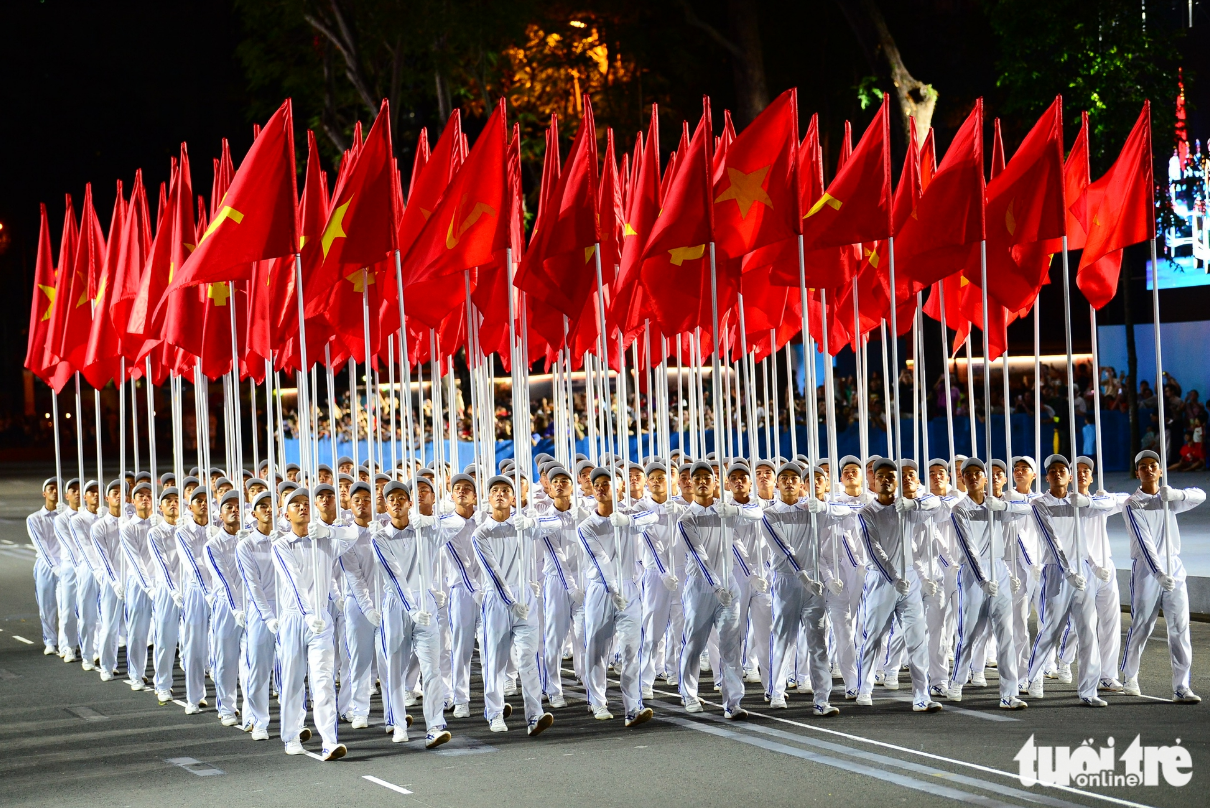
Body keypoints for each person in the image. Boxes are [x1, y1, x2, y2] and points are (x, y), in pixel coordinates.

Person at [272, 487, 359, 760]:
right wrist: (308, 613)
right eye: (295, 504)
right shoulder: (280, 545)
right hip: (294, 618)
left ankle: (329, 741)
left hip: (321, 619)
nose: (302, 508)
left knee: (322, 680)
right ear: (286, 514)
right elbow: (294, 582)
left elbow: (355, 534)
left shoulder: (322, 539)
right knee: (294, 680)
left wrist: (329, 531)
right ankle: (291, 735)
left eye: (305, 503)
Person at [468, 476, 556, 735]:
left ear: (513, 497)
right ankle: (495, 713)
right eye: (494, 490)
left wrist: (530, 522)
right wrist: (511, 601)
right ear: (488, 498)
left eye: (505, 491)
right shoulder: (481, 533)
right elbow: (493, 572)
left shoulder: (523, 525)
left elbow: (557, 521)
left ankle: (535, 715)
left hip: (525, 597)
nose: (499, 494)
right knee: (495, 661)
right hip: (497, 599)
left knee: (529, 658)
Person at [854, 459, 943, 713]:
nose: (886, 480)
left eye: (891, 476)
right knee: (874, 636)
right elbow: (874, 550)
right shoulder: (866, 513)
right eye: (880, 476)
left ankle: (922, 695)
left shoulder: (907, 507)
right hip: (881, 580)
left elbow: (936, 502)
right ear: (873, 481)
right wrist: (894, 577)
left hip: (911, 579)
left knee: (916, 638)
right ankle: (865, 688)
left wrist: (913, 502)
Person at [675, 461, 761, 718]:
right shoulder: (686, 518)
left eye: (707, 477)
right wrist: (715, 586)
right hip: (701, 588)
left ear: (715, 483)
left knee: (730, 644)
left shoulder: (727, 511)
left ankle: (733, 702)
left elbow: (757, 513)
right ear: (690, 483)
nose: (702, 481)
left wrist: (731, 510)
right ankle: (689, 694)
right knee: (694, 643)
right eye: (697, 477)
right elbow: (699, 556)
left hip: (729, 585)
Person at [1023, 455, 1111, 707]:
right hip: (1056, 571)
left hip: (1082, 571)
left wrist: (1093, 565)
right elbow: (1052, 539)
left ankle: (1088, 689)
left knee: (1088, 632)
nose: (1057, 473)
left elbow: (1104, 511)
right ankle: (1034, 677)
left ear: (1070, 477)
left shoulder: (1078, 502)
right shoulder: (1040, 505)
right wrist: (1068, 569)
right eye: (1052, 470)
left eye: (1062, 469)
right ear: (1047, 477)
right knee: (1050, 629)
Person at [1119, 450, 1205, 702]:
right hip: (1147, 570)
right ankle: (1130, 676)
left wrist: (1178, 495)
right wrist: (1158, 573)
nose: (1148, 469)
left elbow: (1200, 495)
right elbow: (1144, 543)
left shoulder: (1168, 497)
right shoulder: (1133, 503)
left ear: (1160, 470)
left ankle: (1181, 685)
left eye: (1153, 465)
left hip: (1174, 566)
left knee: (1179, 628)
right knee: (1142, 625)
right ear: (1137, 473)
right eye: (1143, 466)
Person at [372, 480, 452, 747]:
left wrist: (431, 521)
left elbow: (460, 523)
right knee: (395, 668)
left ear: (409, 502)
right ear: (385, 505)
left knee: (431, 667)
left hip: (425, 600)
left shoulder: (424, 531)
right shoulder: (380, 538)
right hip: (397, 604)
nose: (396, 502)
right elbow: (395, 577)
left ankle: (436, 725)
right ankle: (397, 723)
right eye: (390, 499)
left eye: (401, 498)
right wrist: (412, 609)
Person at [763, 462, 845, 715]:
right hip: (787, 580)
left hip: (815, 583)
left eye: (794, 479)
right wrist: (802, 576)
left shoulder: (811, 509)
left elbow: (849, 512)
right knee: (784, 639)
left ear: (802, 484)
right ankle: (777, 691)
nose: (789, 482)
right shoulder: (770, 514)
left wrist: (824, 506)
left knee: (818, 642)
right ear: (777, 484)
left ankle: (822, 699)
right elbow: (783, 547)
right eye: (784, 478)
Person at [577, 466, 658, 724]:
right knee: (598, 648)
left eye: (607, 483)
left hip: (629, 587)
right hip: (601, 588)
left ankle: (633, 706)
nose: (601, 488)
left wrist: (628, 521)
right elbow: (600, 560)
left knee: (631, 648)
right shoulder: (587, 526)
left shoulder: (630, 515)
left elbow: (653, 517)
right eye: (597, 484)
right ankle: (598, 701)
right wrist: (613, 589)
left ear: (621, 488)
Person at [945, 459, 1027, 709]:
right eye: (967, 474)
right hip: (973, 573)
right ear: (963, 480)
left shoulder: (996, 506)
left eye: (977, 473)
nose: (972, 477)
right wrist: (982, 579)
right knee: (969, 633)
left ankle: (1009, 693)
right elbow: (968, 549)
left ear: (985, 478)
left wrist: (1001, 505)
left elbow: (1027, 509)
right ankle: (957, 681)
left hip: (999, 568)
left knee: (1006, 634)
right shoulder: (960, 509)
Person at [532, 465, 585, 708]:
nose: (561, 484)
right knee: (554, 637)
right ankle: (553, 689)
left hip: (583, 581)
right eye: (556, 482)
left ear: (573, 486)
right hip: (556, 581)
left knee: (586, 635)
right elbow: (556, 556)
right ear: (549, 490)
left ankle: (590, 684)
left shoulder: (584, 515)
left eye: (565, 480)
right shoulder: (545, 520)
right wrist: (572, 586)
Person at [432, 473, 482, 718]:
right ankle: (461, 699)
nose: (461, 491)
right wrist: (476, 591)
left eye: (467, 488)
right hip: (461, 591)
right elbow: (461, 564)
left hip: (489, 589)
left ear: (475, 495)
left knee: (491, 646)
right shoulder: (447, 525)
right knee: (461, 648)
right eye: (457, 488)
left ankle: (494, 702)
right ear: (451, 496)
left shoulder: (484, 521)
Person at [335, 482, 383, 729]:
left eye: (367, 499)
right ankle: (356, 709)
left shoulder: (384, 530)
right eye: (357, 501)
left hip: (386, 601)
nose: (363, 504)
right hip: (357, 604)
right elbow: (354, 577)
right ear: (350, 506)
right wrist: (368, 608)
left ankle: (393, 712)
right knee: (358, 659)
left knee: (388, 661)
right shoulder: (346, 535)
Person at [235, 490, 279, 739]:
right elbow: (252, 585)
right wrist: (267, 616)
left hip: (287, 608)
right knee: (259, 669)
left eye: (271, 505)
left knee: (291, 668)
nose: (267, 509)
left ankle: (294, 722)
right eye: (262, 506)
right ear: (253, 514)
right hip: (260, 612)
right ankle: (258, 720)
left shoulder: (285, 539)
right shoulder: (246, 545)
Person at [205, 490, 247, 727]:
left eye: (237, 506)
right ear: (220, 514)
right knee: (226, 660)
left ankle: (251, 712)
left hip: (251, 606)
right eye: (228, 507)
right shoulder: (213, 545)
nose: (233, 510)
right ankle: (227, 707)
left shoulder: (248, 538)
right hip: (226, 607)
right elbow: (225, 580)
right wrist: (235, 607)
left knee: (251, 662)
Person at [175, 486, 214, 713]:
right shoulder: (183, 533)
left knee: (220, 646)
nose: (202, 503)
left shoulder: (218, 527)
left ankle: (225, 702)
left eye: (206, 499)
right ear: (190, 507)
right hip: (196, 591)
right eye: (197, 500)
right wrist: (207, 591)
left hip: (219, 590)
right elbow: (193, 565)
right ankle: (194, 697)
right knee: (195, 645)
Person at [119, 482, 157, 691]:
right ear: (132, 501)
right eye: (140, 495)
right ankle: (136, 674)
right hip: (138, 584)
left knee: (162, 633)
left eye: (148, 495)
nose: (144, 498)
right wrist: (148, 586)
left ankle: (161, 677)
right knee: (137, 631)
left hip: (160, 583)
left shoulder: (159, 525)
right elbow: (135, 561)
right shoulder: (127, 528)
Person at [147, 487, 183, 704]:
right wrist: (173, 590)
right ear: (160, 507)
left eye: (177, 500)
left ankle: (196, 690)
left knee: (194, 642)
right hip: (166, 592)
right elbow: (162, 564)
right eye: (168, 501)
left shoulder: (187, 530)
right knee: (165, 640)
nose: (173, 504)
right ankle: (162, 684)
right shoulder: (155, 533)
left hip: (189, 589)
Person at [90, 481, 127, 682]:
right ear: (107, 498)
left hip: (134, 580)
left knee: (139, 629)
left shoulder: (133, 522)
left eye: (123, 492)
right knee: (109, 625)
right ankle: (107, 666)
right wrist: (114, 582)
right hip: (112, 581)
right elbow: (103, 559)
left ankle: (137, 671)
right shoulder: (99, 527)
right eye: (115, 492)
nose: (119, 496)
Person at [27, 477, 61, 656]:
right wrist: (55, 567)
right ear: (44, 493)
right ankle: (50, 641)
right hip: (46, 567)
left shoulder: (67, 516)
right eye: (51, 488)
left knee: (68, 607)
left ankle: (66, 642)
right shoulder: (34, 519)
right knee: (47, 606)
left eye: (58, 488)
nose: (55, 491)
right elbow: (41, 546)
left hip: (65, 566)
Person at [71, 480, 102, 670]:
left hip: (107, 571)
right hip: (88, 570)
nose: (95, 495)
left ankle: (102, 653)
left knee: (105, 615)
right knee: (87, 614)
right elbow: (86, 547)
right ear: (85, 496)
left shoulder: (108, 517)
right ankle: (87, 654)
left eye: (98, 491)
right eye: (91, 492)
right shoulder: (77, 520)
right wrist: (97, 569)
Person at [52, 478, 81, 663]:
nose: (77, 493)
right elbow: (70, 545)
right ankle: (69, 646)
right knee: (68, 608)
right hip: (71, 566)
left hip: (90, 566)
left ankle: (91, 647)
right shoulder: (61, 519)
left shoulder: (91, 516)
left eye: (80, 489)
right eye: (73, 490)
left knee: (92, 610)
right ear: (66, 495)